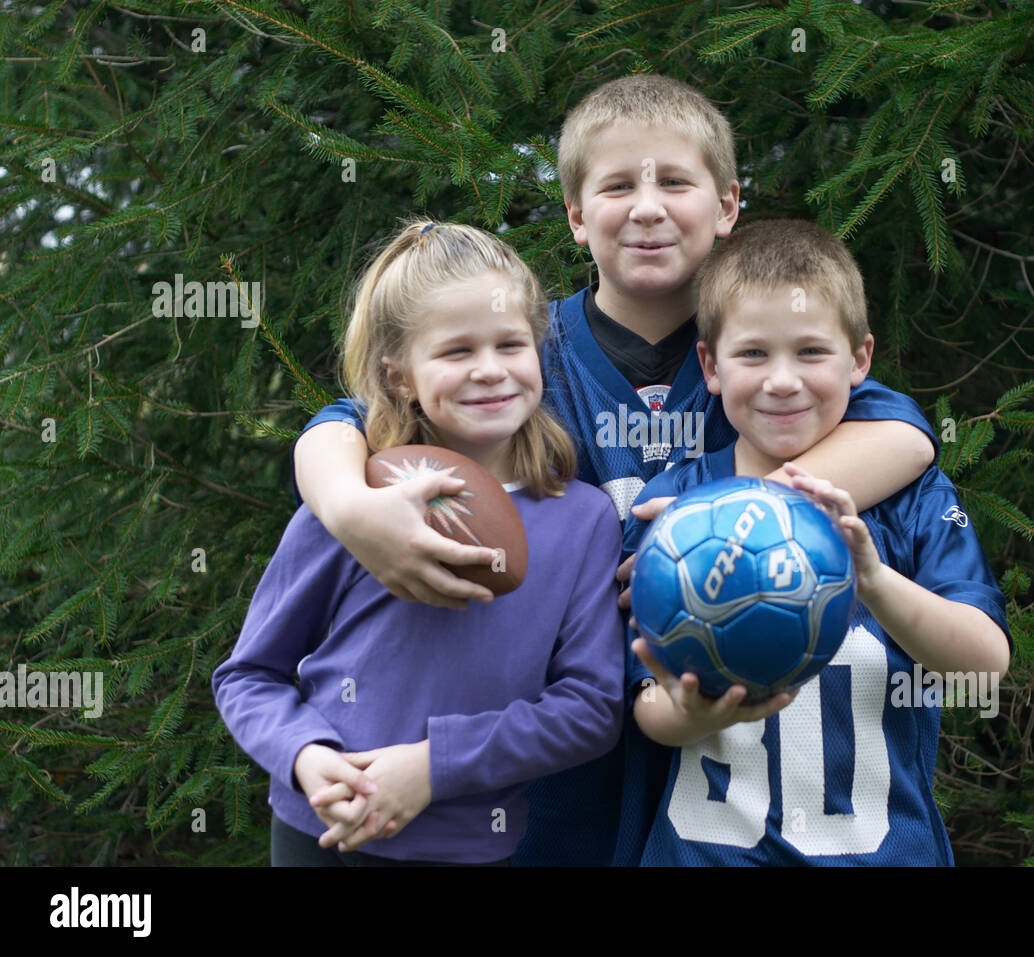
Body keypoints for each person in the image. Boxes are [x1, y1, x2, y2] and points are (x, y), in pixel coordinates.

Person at [289, 75, 939, 866]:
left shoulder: (759, 357)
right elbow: (348, 422)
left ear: (728, 206)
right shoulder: (526, 356)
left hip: (716, 779)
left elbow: (903, 434)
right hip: (551, 772)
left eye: (674, 180)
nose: (647, 206)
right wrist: (349, 510)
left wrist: (717, 528)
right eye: (618, 185)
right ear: (575, 216)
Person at [212, 221, 624, 865]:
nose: (489, 370)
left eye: (510, 344)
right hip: (322, 834)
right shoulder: (355, 502)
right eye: (456, 352)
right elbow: (249, 676)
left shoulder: (583, 519)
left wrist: (436, 767)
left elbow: (590, 709)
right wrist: (307, 757)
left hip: (470, 845)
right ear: (398, 375)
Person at [622, 219, 1012, 865]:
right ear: (710, 365)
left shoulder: (910, 495)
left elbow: (984, 668)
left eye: (810, 352)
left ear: (859, 358)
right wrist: (702, 714)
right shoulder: (675, 510)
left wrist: (875, 581)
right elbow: (648, 710)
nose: (781, 380)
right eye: (753, 354)